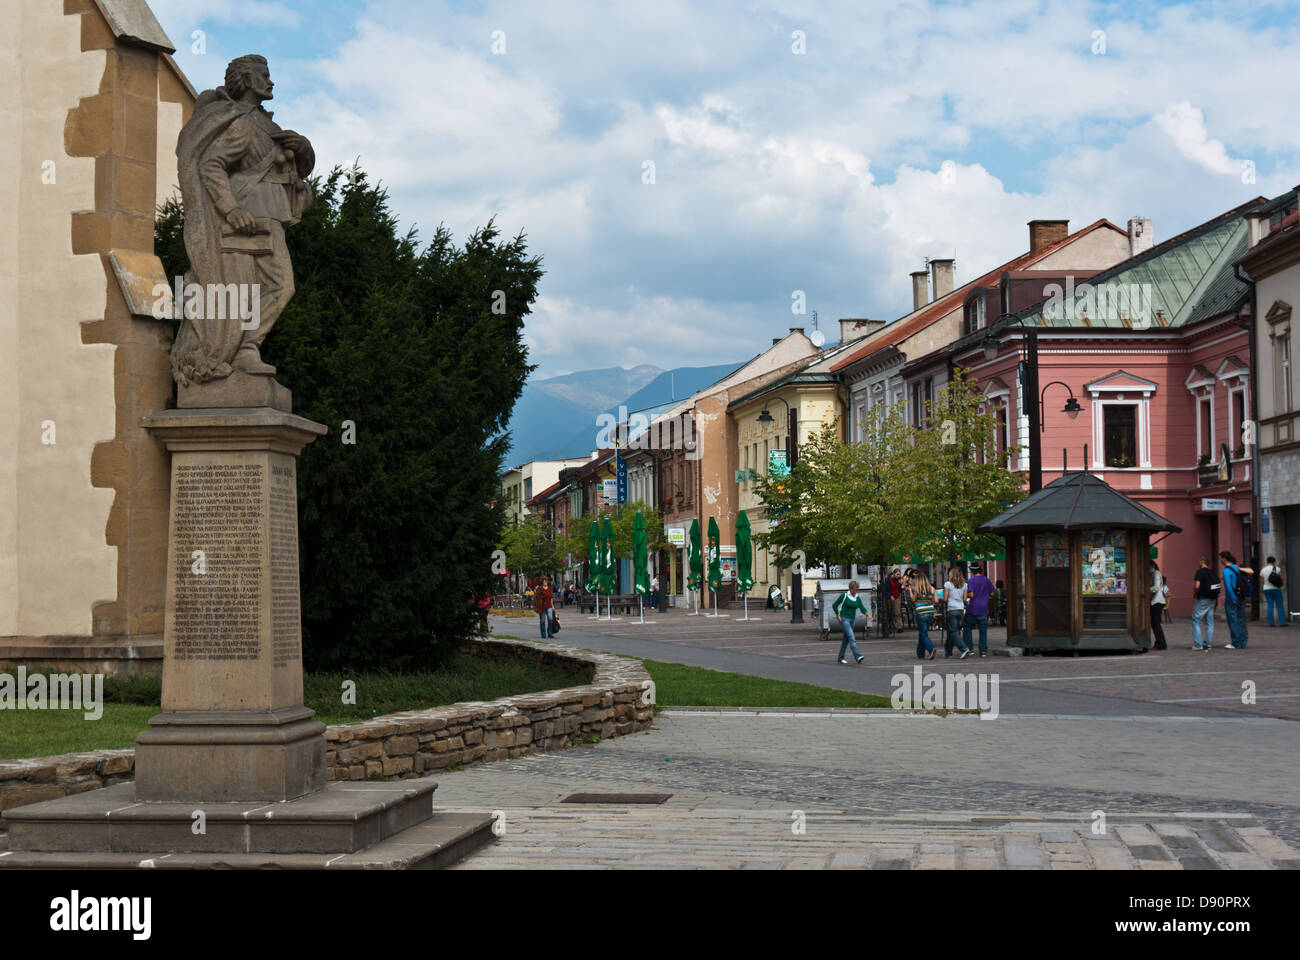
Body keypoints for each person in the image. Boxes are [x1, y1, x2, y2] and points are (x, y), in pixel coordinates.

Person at [1219, 552, 1253, 649]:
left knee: (1233, 621)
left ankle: (1235, 642)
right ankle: (1243, 641)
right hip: (1241, 596)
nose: (1220, 560)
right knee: (1241, 620)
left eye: (1221, 558)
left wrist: (1232, 597)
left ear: (1225, 559)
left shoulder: (1226, 571)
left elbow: (1228, 586)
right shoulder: (1237, 568)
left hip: (1232, 598)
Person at [832, 581, 868, 664]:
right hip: (844, 619)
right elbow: (834, 605)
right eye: (854, 590)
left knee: (846, 639)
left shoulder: (857, 597)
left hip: (852, 620)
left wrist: (868, 615)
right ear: (850, 589)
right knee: (851, 637)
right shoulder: (844, 596)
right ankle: (858, 656)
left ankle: (840, 658)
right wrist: (837, 614)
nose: (855, 592)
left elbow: (861, 607)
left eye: (857, 590)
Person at [963, 563, 994, 657]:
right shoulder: (986, 580)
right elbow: (992, 593)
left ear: (972, 571)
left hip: (973, 608)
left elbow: (971, 595)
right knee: (983, 630)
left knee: (967, 627)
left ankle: (970, 649)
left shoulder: (971, 580)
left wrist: (965, 594)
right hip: (983, 608)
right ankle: (983, 650)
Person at [942, 567, 972, 659]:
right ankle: (948, 652)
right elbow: (964, 599)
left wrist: (941, 599)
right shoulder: (965, 585)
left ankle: (964, 648)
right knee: (953, 631)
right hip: (960, 609)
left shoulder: (948, 584)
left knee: (953, 631)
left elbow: (946, 599)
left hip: (951, 609)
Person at [1190, 555, 1219, 651]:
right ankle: (1208, 643)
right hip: (1212, 598)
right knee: (1209, 621)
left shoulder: (1200, 572)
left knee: (1195, 619)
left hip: (1203, 598)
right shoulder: (1213, 572)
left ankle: (1198, 644)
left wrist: (1195, 592)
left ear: (1202, 561)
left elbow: (1197, 585)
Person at [910, 572, 938, 659]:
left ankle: (931, 648)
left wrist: (910, 591)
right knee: (922, 633)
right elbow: (936, 600)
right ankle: (920, 653)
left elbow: (913, 599)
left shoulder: (917, 589)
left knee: (923, 634)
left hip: (921, 612)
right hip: (930, 612)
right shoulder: (931, 588)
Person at [1261, 556, 1286, 627]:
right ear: (1274, 562)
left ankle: (1271, 623)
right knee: (1280, 606)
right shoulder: (1277, 569)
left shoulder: (1263, 570)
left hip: (1266, 589)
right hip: (1276, 589)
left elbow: (1261, 580)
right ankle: (1282, 622)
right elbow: (1282, 578)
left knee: (1270, 605)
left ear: (1267, 561)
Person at [1149, 560, 1167, 650]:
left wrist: (1146, 589)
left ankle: (1160, 643)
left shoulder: (1156, 574)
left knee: (1155, 624)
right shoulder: (1152, 574)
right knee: (1155, 624)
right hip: (1155, 602)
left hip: (1157, 602)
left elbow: (1156, 587)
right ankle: (1161, 643)